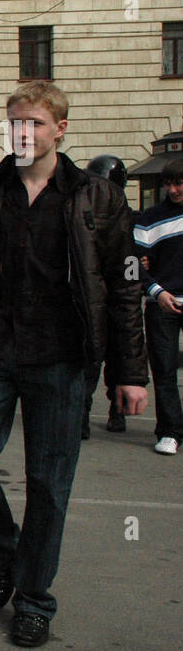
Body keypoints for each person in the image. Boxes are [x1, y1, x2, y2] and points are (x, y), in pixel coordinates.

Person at [0, 81, 148, 647]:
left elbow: (123, 286)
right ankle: (6, 554)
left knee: (48, 485)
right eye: (15, 123)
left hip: (62, 362)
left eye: (34, 123)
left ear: (61, 128)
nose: (23, 133)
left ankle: (34, 599)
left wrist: (129, 373)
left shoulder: (96, 197)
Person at [133, 156, 183, 454]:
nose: (173, 190)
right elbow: (132, 262)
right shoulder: (150, 217)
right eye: (168, 184)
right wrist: (155, 290)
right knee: (163, 370)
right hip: (161, 301)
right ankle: (169, 431)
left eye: (178, 183)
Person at [82, 154, 130, 438]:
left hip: (112, 295)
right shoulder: (89, 211)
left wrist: (137, 265)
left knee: (115, 359)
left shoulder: (121, 212)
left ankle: (115, 411)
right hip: (98, 297)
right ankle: (87, 413)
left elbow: (131, 257)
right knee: (91, 363)